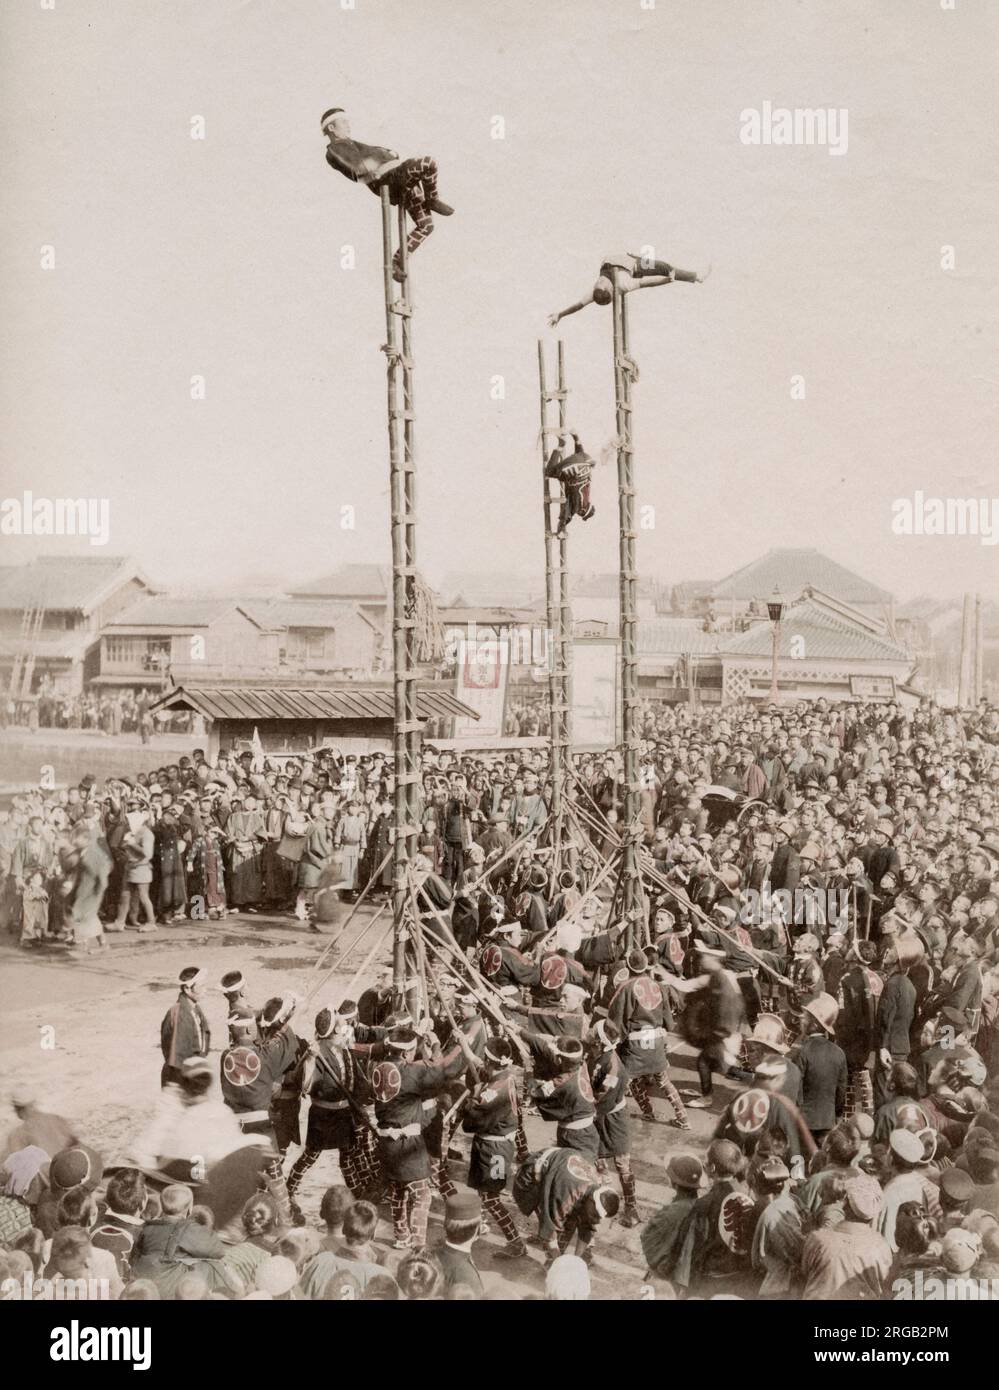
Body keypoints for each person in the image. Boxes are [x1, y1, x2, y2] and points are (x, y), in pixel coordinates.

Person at [320, 107, 453, 281]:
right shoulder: (336, 149)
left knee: (426, 225)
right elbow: (364, 172)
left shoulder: (352, 143)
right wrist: (391, 165)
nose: (348, 125)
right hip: (391, 180)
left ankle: (396, 262)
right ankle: (432, 198)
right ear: (332, 128)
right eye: (343, 122)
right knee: (428, 163)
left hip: (400, 177)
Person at [548, 251, 704, 327]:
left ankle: (694, 277)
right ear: (609, 289)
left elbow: (578, 305)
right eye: (603, 283)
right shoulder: (621, 284)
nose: (600, 280)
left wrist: (560, 314)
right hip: (635, 267)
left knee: (667, 268)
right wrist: (666, 281)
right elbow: (646, 284)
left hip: (627, 257)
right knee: (666, 268)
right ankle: (696, 277)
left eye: (599, 282)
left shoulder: (596, 290)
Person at [159, 966, 210, 1088]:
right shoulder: (181, 1014)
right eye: (201, 986)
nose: (206, 990)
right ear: (187, 989)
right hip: (181, 1080)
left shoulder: (193, 1008)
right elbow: (178, 1057)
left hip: (192, 1074)